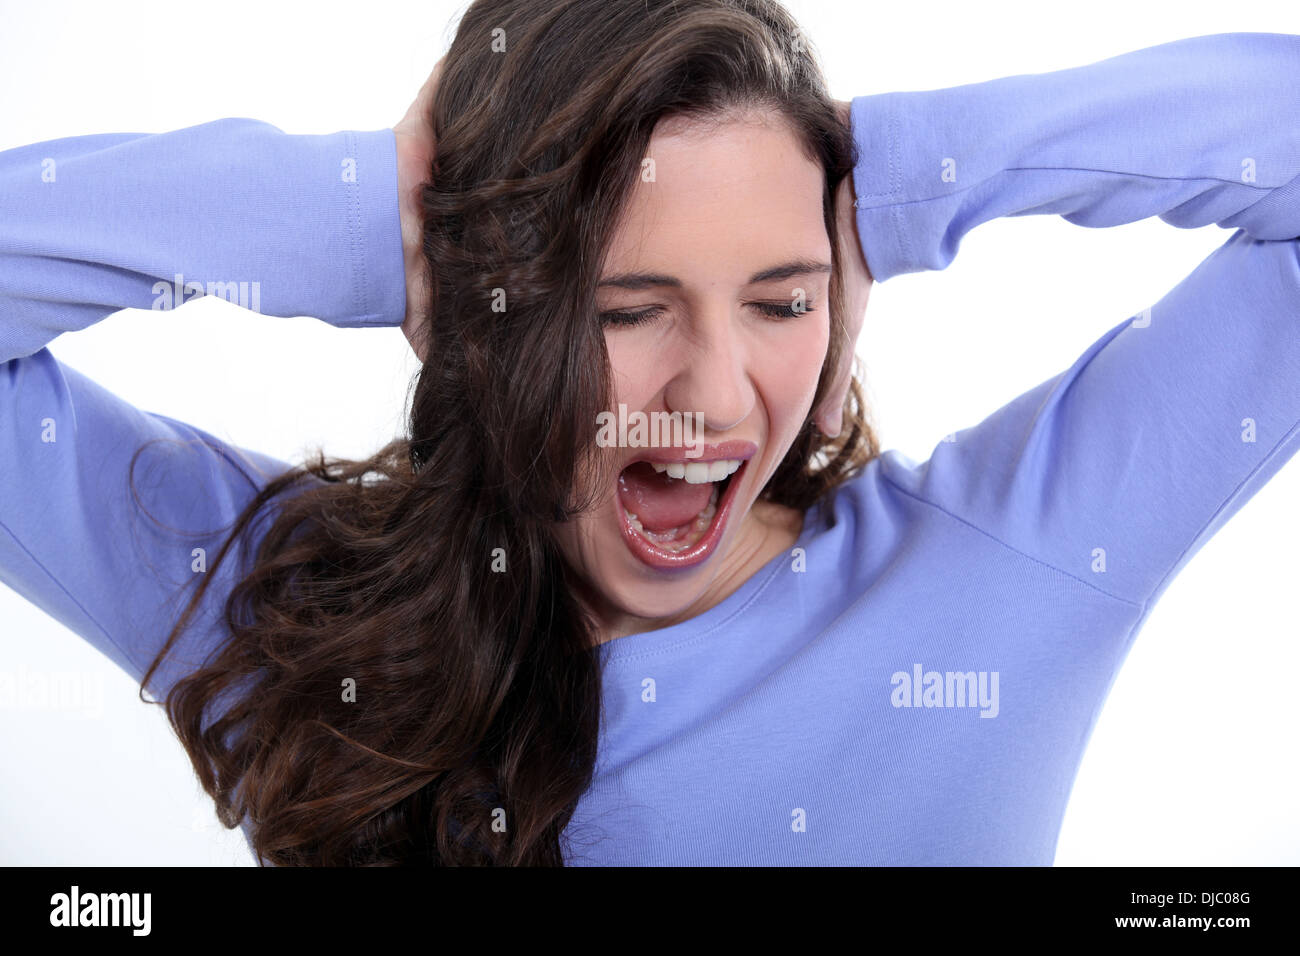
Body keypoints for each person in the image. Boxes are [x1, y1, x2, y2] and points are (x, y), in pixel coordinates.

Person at [1, 1, 1297, 865]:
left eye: (782, 297)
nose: (717, 394)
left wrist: (908, 171)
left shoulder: (1007, 563)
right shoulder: (286, 597)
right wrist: (358, 219)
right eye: (630, 307)